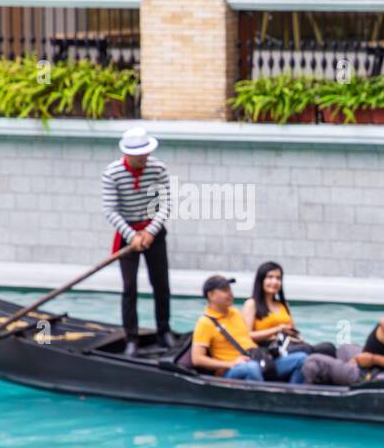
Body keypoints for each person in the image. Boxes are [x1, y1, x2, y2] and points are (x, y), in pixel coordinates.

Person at [103, 126, 176, 357]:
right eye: (140, 155)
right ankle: (131, 338)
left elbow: (165, 204)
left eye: (146, 153)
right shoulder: (112, 173)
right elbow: (110, 210)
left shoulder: (158, 168)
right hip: (127, 236)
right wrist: (132, 236)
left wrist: (150, 232)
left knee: (161, 284)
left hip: (153, 231)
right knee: (129, 288)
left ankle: (164, 330)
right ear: (128, 154)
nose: (144, 158)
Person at [302, 278, 384, 386]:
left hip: (368, 375)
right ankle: (338, 375)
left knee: (312, 362)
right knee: (346, 348)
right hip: (371, 366)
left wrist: (371, 359)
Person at [190, 275, 308, 384]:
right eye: (225, 290)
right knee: (251, 367)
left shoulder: (235, 313)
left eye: (230, 289)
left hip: (256, 359)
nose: (230, 294)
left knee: (302, 359)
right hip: (232, 370)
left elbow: (247, 338)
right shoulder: (204, 323)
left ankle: (291, 395)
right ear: (211, 295)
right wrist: (230, 364)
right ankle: (263, 399)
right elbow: (197, 359)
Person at [241, 261, 336, 356]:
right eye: (270, 277)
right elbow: (246, 336)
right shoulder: (251, 304)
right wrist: (278, 329)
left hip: (290, 345)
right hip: (269, 351)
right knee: (305, 349)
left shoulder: (283, 304)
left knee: (328, 347)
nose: (275, 282)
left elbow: (292, 330)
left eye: (278, 278)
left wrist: (292, 332)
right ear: (261, 280)